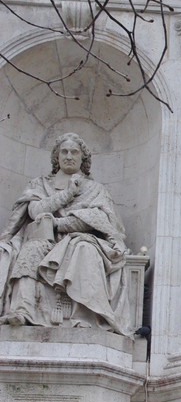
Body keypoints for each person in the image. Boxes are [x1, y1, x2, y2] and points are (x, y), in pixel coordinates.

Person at [0, 133, 131, 335]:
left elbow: (97, 220)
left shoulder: (95, 188)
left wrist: (56, 223)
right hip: (44, 239)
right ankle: (23, 310)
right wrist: (67, 194)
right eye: (64, 151)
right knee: (30, 250)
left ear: (82, 158)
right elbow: (35, 211)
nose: (69, 156)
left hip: (81, 239)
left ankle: (85, 316)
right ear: (57, 157)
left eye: (74, 152)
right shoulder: (39, 184)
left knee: (85, 249)